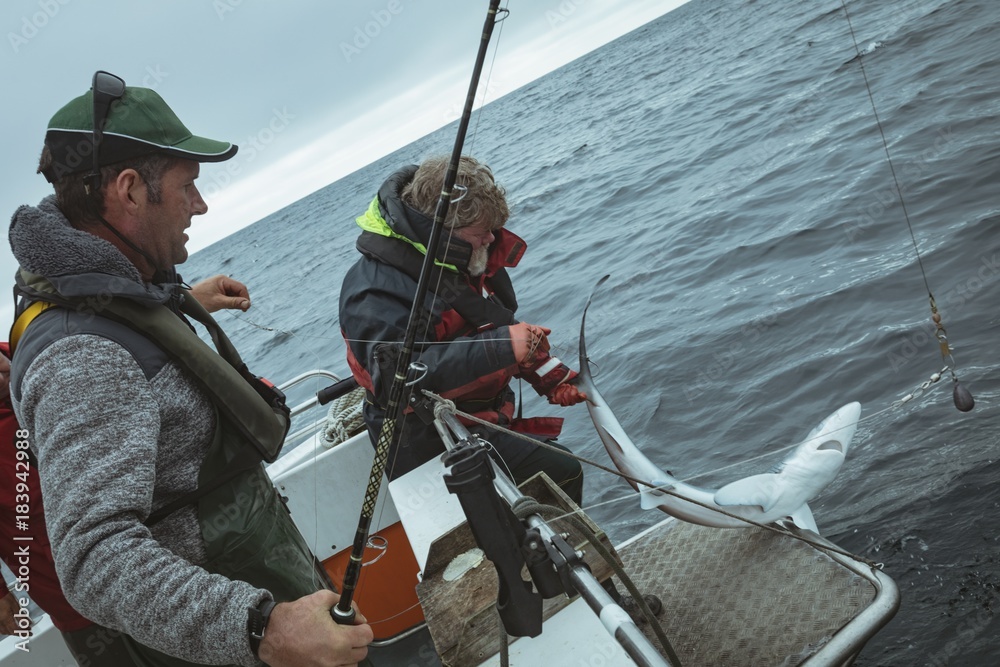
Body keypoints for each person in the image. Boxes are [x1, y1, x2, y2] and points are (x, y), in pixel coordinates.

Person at [8, 71, 372, 667]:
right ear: (128, 190)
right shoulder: (81, 355)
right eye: (188, 187)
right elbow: (93, 558)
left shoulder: (116, 297)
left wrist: (186, 303)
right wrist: (264, 630)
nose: (200, 206)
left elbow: (135, 354)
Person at [339, 155, 588, 503]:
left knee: (560, 472)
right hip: (428, 441)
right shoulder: (372, 292)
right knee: (559, 471)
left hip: (480, 418)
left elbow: (485, 324)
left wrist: (550, 377)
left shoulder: (452, 256)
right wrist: (504, 346)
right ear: (441, 232)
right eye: (480, 232)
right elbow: (398, 380)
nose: (490, 238)